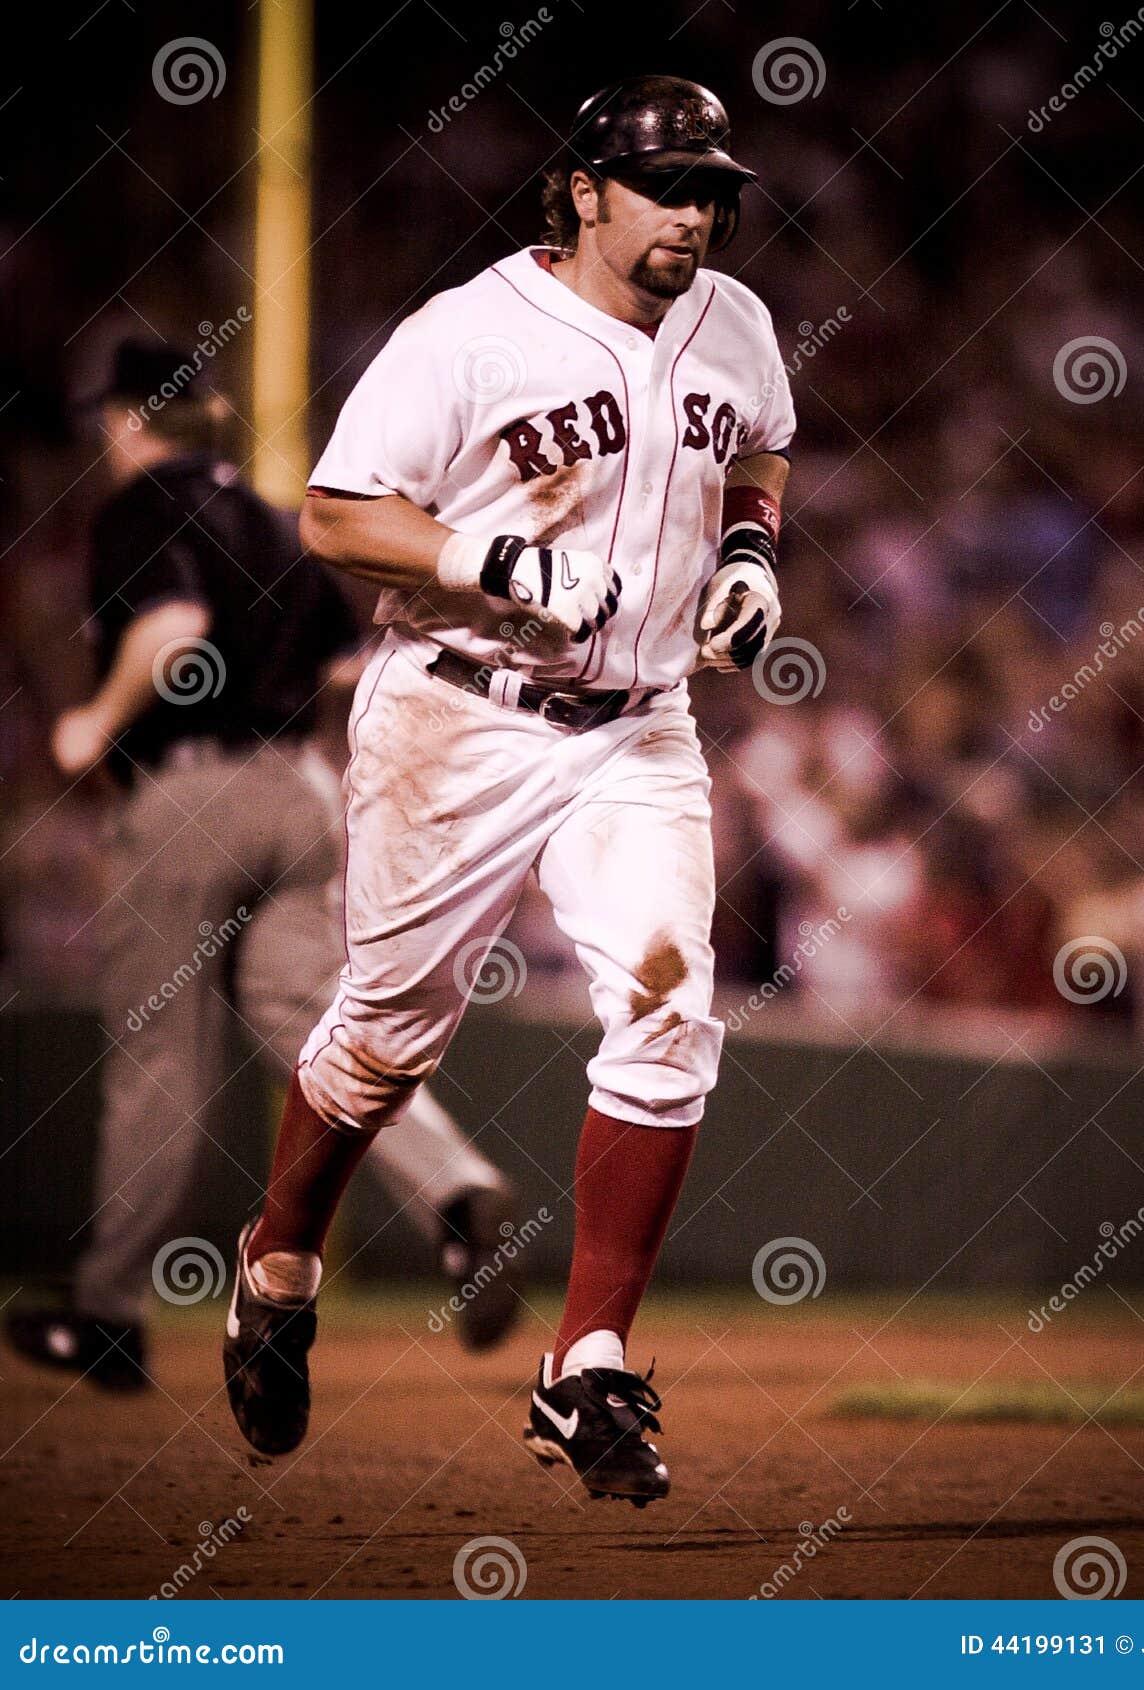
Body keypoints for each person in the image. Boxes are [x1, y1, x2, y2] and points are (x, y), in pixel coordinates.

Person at [221, 75, 795, 1506]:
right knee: (384, 1038)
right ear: (584, 191)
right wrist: (492, 559)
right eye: (664, 186)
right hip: (458, 714)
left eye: (710, 191)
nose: (693, 215)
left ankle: (585, 1362)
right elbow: (334, 513)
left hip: (638, 726)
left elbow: (759, 448)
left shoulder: (733, 320)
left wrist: (749, 556)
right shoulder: (467, 334)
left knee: (670, 1005)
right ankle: (277, 1262)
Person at [5, 339, 521, 1393]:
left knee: (160, 1056)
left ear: (123, 420)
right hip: (302, 792)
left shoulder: (141, 505)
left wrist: (95, 719)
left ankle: (107, 1312)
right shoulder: (272, 516)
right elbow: (346, 662)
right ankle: (456, 1189)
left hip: (192, 792)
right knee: (319, 1026)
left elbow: (174, 624)